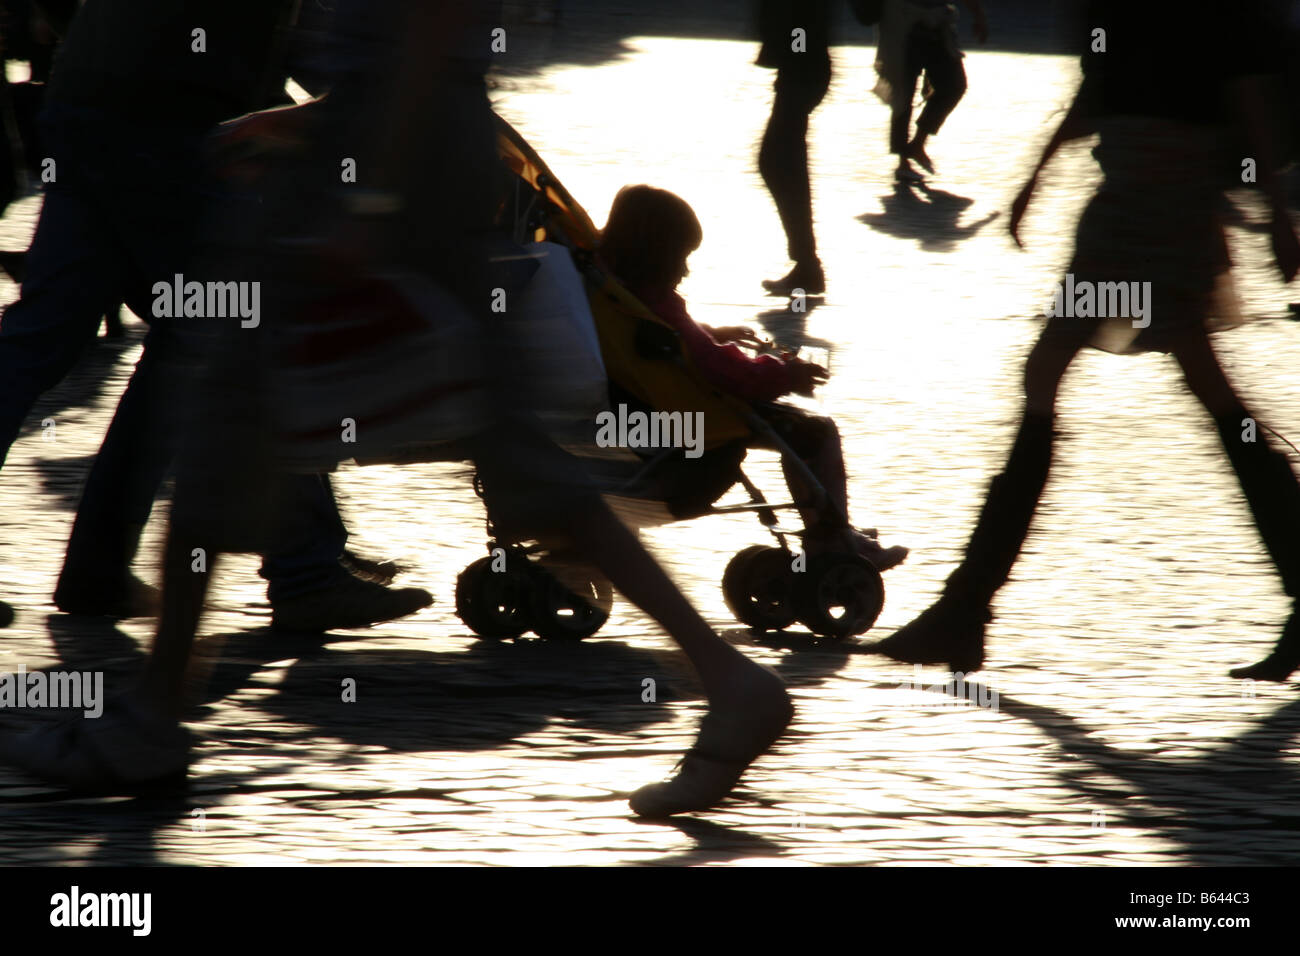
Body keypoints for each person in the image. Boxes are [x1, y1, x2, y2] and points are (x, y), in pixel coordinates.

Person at [5, 0, 795, 822]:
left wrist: (368, 196)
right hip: (393, 154)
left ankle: (155, 714)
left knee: (233, 417)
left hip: (389, 170)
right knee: (498, 451)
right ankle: (730, 681)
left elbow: (427, 25)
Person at [871, 0, 1300, 680]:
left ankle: (964, 610)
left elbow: (1244, 94)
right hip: (1129, 198)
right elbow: (1100, 86)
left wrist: (1277, 209)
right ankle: (963, 610)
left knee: (1073, 376)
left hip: (1163, 201)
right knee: (1198, 388)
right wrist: (1035, 176)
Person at [0, 0, 431, 630]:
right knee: (237, 336)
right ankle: (304, 568)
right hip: (177, 126)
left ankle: (104, 569)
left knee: (51, 338)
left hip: (91, 99)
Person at [600, 184, 909, 570]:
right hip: (698, 415)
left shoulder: (613, 291)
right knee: (815, 430)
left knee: (796, 430)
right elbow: (730, 372)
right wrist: (787, 374)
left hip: (648, 406)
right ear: (659, 256)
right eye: (682, 258)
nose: (685, 269)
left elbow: (683, 342)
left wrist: (713, 332)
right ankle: (830, 539)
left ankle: (829, 530)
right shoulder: (659, 303)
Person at [756, 0, 831, 297]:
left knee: (780, 164)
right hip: (800, 69)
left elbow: (801, 24)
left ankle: (807, 266)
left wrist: (795, 57)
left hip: (802, 70)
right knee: (783, 164)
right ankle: (806, 265)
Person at [873, 0, 987, 184]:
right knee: (903, 94)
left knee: (954, 85)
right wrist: (979, 16)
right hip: (902, 22)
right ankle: (903, 161)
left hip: (934, 23)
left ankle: (917, 144)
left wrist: (979, 16)